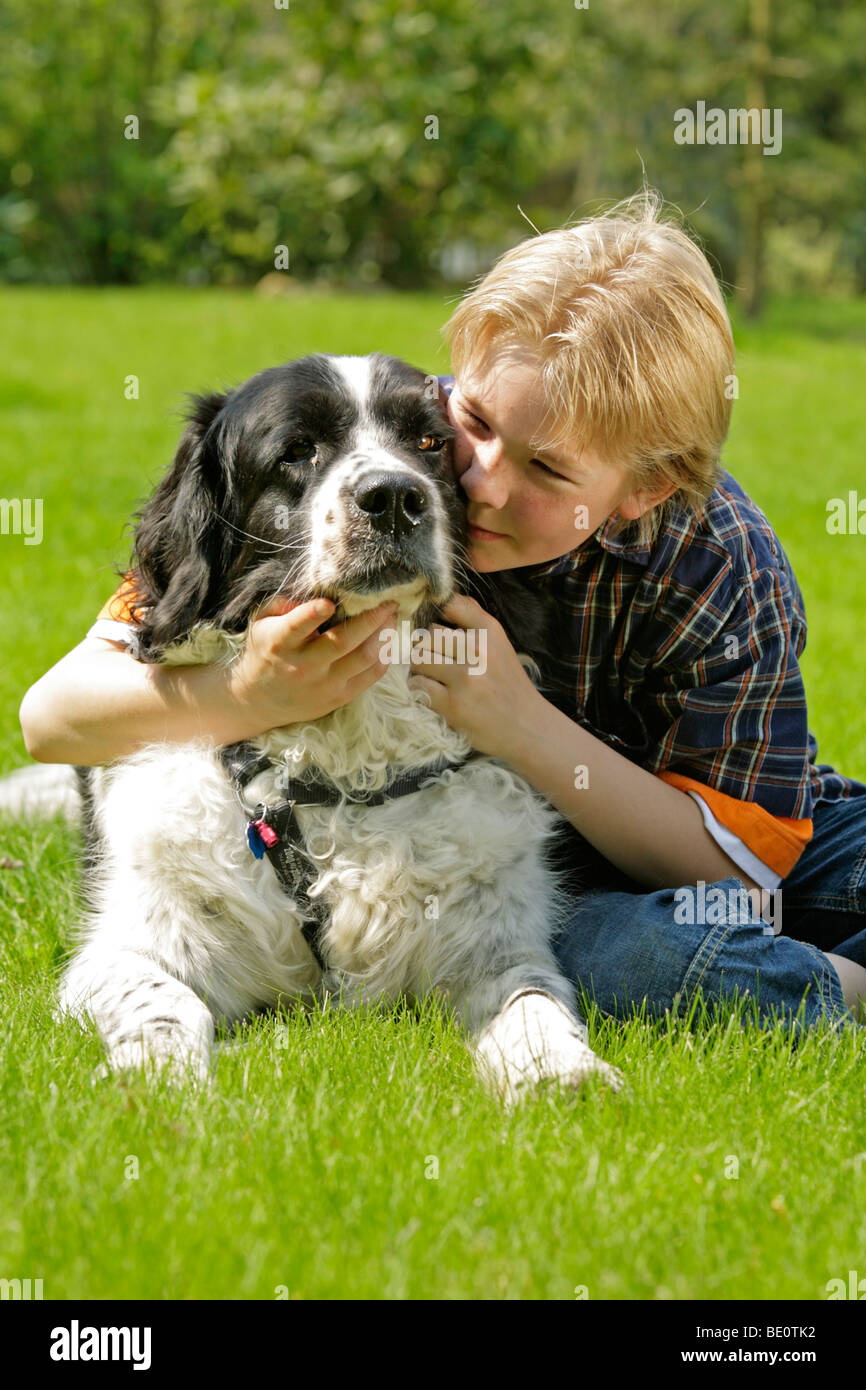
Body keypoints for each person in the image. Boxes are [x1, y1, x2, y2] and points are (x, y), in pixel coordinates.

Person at [19, 190, 866, 1029]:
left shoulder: (719, 561)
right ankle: (827, 986)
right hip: (531, 873)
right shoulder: (398, 438)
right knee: (633, 957)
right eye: (475, 424)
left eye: (548, 473)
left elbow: (741, 872)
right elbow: (58, 713)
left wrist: (521, 727)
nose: (482, 483)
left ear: (644, 488)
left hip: (685, 834)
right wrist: (254, 696)